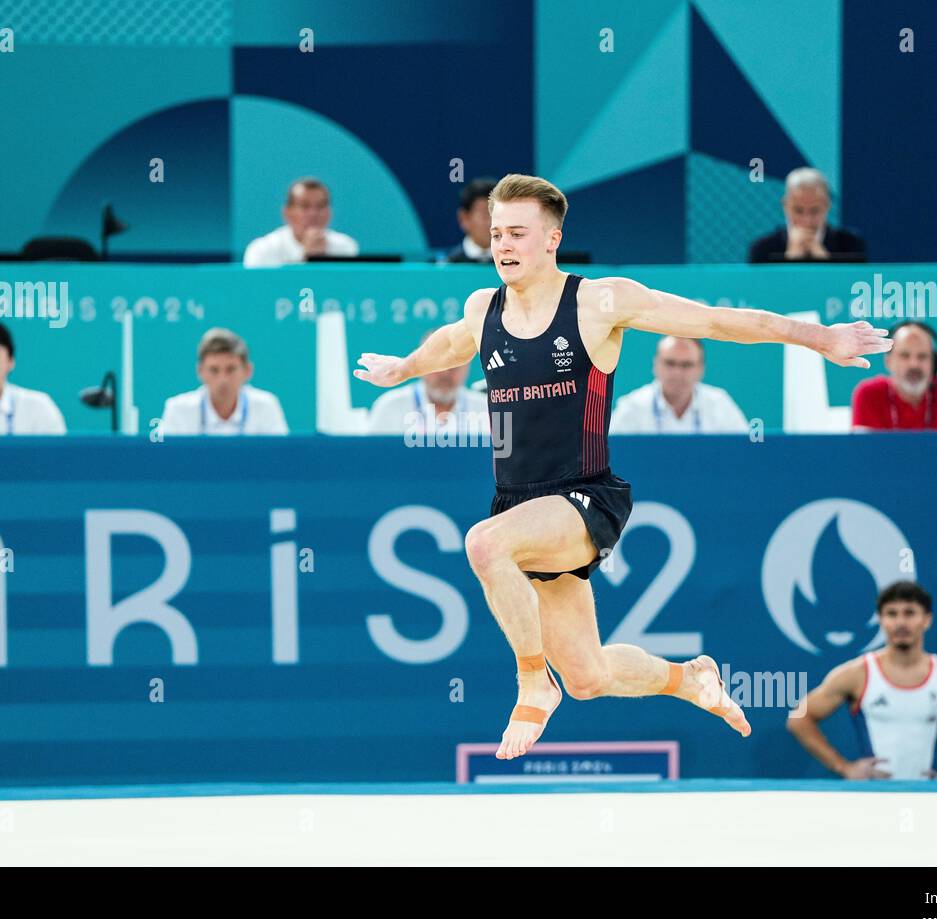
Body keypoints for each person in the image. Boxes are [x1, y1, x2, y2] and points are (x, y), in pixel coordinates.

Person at [354, 173, 891, 760]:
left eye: (516, 234)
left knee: (484, 547)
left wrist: (820, 338)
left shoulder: (600, 302)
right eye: (496, 233)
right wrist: (403, 368)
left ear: (553, 238)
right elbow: (454, 343)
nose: (502, 246)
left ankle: (532, 679)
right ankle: (690, 679)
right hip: (520, 506)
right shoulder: (485, 306)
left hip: (583, 499)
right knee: (587, 678)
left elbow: (715, 321)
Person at [786, 581, 937, 779]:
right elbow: (799, 717)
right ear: (881, 620)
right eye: (891, 614)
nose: (901, 622)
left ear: (927, 620)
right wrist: (844, 768)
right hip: (872, 800)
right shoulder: (857, 674)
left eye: (910, 613)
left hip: (927, 802)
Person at [851, 320, 937, 431]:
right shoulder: (869, 394)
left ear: (934, 362)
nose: (914, 364)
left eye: (922, 356)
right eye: (905, 355)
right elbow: (864, 455)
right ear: (888, 361)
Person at [158, 328, 288, 436]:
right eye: (214, 370)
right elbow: (167, 462)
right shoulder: (177, 409)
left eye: (231, 369)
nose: (223, 380)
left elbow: (281, 460)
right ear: (200, 371)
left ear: (248, 371)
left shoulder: (267, 406)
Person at [610, 335, 749, 434]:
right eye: (670, 363)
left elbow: (743, 452)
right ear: (656, 365)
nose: (677, 373)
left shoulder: (720, 403)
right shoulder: (632, 407)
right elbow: (612, 457)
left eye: (686, 365)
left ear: (701, 369)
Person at [366, 329, 488, 438]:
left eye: (455, 366)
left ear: (468, 366)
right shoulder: (390, 407)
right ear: (420, 365)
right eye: (436, 366)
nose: (445, 373)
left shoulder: (486, 409)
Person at [748, 167, 865, 264]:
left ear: (827, 206)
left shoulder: (851, 245)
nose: (807, 220)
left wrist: (822, 258)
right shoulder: (762, 250)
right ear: (785, 206)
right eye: (798, 210)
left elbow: (851, 287)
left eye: (814, 211)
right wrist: (791, 258)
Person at [242, 178, 358, 266]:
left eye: (321, 206)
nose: (313, 213)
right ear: (287, 213)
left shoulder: (346, 247)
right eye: (304, 206)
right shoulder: (261, 250)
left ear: (329, 212)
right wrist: (307, 258)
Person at [443, 178, 496, 263]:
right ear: (464, 218)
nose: (492, 222)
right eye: (485, 214)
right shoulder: (446, 265)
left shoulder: (519, 264)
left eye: (497, 215)